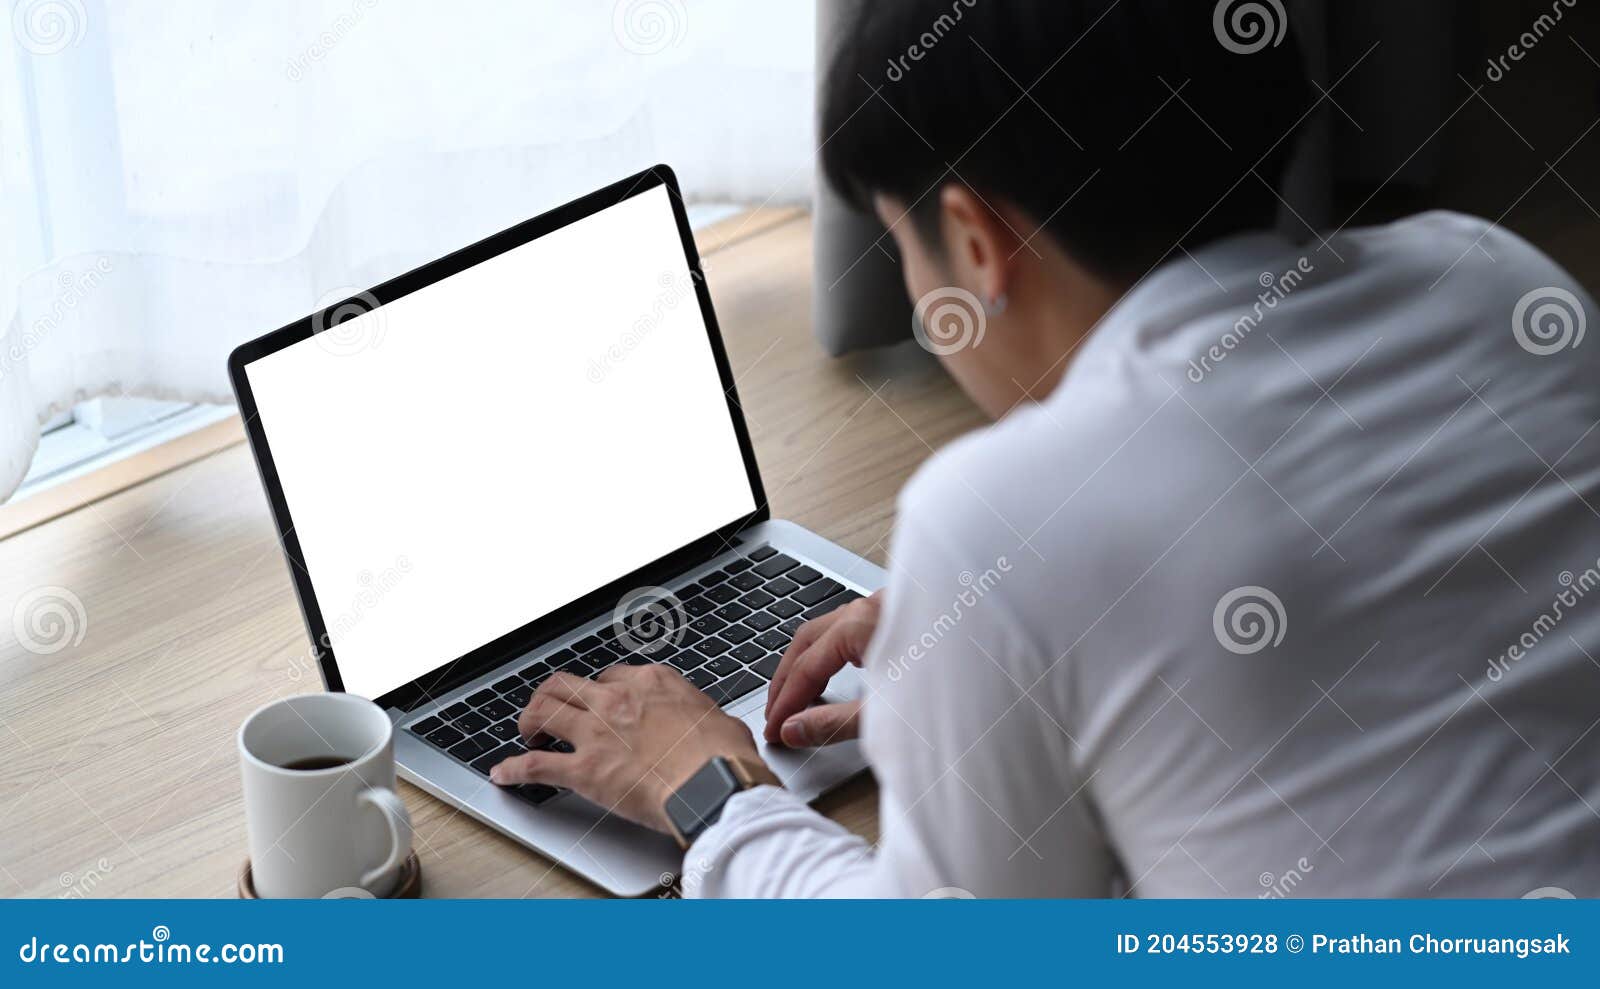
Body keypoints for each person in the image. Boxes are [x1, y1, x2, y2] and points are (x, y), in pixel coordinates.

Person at [492, 1, 1600, 897]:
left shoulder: (999, 512)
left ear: (975, 242)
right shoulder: (1491, 276)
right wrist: (1015, 667)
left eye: (906, 250)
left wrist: (707, 792)